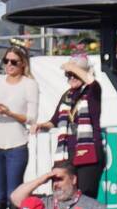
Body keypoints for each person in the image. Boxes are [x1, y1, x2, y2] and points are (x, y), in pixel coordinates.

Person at [0, 45, 39, 202]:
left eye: (14, 62)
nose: (9, 65)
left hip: (17, 145)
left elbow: (31, 118)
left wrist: (9, 113)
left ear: (23, 63)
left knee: (14, 192)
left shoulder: (29, 84)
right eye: (6, 61)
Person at [36, 54, 104, 198]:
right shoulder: (67, 95)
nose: (71, 78)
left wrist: (71, 66)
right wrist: (42, 125)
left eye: (75, 74)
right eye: (68, 75)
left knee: (85, 196)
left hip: (88, 151)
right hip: (66, 153)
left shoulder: (93, 90)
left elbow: (92, 82)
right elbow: (54, 120)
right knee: (62, 193)